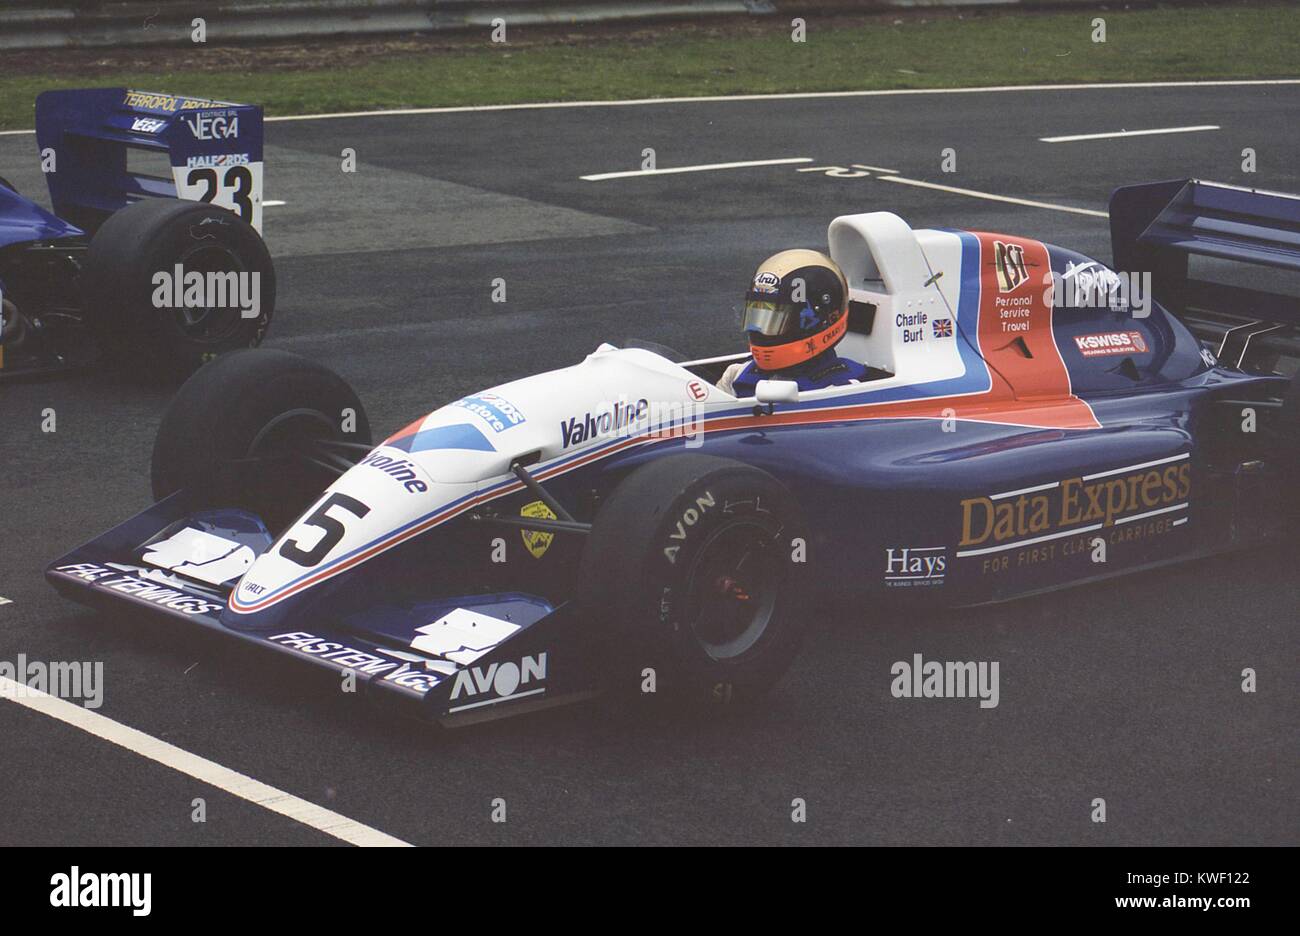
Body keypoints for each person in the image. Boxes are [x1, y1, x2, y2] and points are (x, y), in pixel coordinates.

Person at [718, 249, 869, 397]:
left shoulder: (842, 390)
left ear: (822, 320)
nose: (762, 331)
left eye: (778, 320)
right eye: (759, 316)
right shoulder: (736, 376)